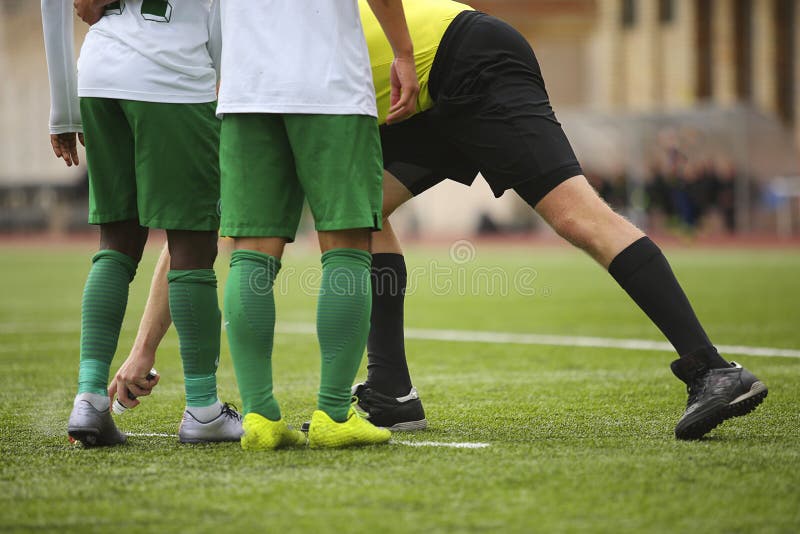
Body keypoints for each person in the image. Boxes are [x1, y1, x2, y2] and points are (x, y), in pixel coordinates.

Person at [118, 0, 767, 441]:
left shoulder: (238, 89)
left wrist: (143, 350)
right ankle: (393, 393)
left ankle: (713, 369)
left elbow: (198, 237)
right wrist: (144, 348)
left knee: (576, 216)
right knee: (359, 212)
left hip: (468, 59)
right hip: (425, 92)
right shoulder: (245, 64)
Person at [215, 0, 419, 450]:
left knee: (251, 253)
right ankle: (333, 414)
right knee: (347, 248)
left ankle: (260, 417)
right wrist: (403, 52)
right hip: (330, 85)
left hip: (247, 87)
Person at [42, 0, 242, 447]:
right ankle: (204, 410)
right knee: (193, 245)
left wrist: (62, 106)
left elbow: (55, 5)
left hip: (99, 73)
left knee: (115, 244)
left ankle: (89, 399)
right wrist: (219, 79)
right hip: (174, 74)